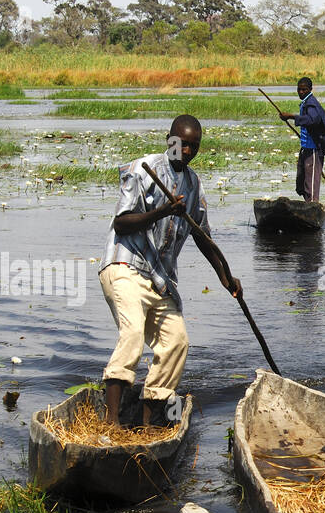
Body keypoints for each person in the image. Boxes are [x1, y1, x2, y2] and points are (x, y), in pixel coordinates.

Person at [97, 114, 242, 427]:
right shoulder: (142, 171)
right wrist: (161, 211)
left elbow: (203, 237)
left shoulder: (193, 185)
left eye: (194, 146)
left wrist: (225, 277)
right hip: (125, 265)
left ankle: (150, 422)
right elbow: (122, 223)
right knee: (133, 331)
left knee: (176, 341)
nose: (187, 151)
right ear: (169, 140)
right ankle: (109, 423)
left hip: (158, 279)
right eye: (181, 143)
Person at [280, 77, 325, 203]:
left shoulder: (311, 103)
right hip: (306, 147)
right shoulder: (306, 103)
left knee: (311, 181)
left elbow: (313, 120)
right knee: (302, 180)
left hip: (313, 149)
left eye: (304, 89)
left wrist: (291, 116)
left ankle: (312, 205)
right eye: (299, 89)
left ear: (310, 90)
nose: (301, 92)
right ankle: (307, 203)